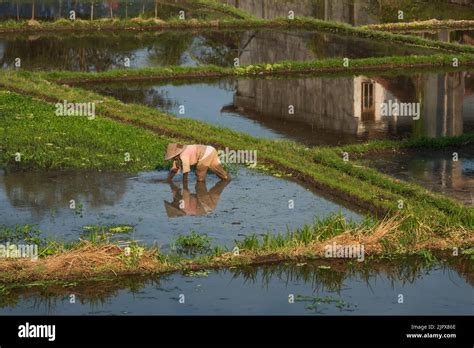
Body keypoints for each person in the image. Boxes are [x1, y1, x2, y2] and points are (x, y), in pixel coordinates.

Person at [164, 143, 230, 182]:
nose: (172, 158)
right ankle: (227, 179)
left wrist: (185, 183)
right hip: (211, 150)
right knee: (217, 169)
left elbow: (186, 171)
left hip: (205, 153)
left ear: (175, 154)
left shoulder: (183, 155)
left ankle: (201, 189)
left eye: (172, 157)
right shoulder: (178, 157)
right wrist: (168, 180)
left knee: (200, 173)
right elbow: (175, 169)